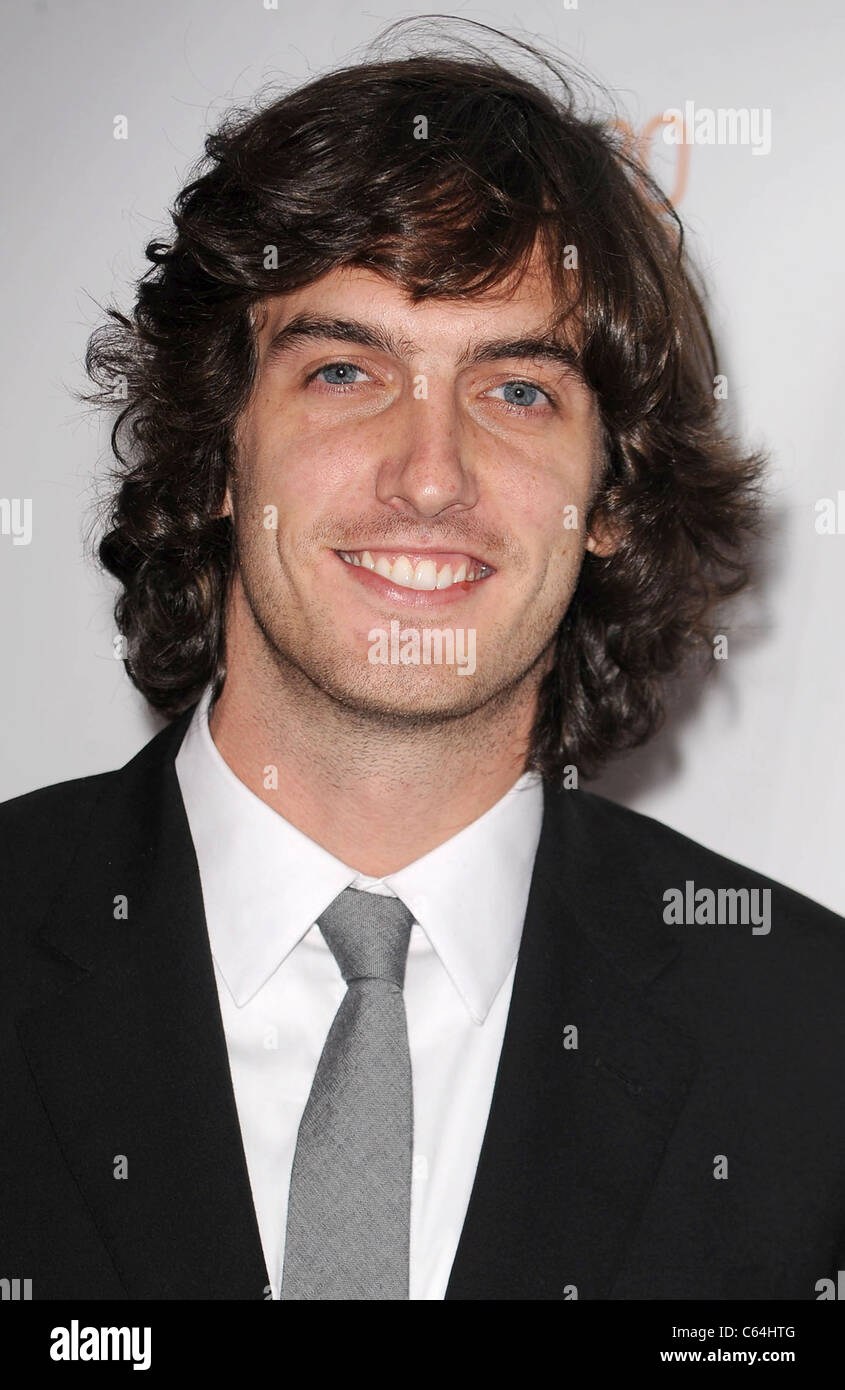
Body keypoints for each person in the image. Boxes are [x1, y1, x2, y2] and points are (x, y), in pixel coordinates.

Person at [2, 22, 844, 1301]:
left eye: (516, 391)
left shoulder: (810, 1044)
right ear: (216, 444)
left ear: (611, 495)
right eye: (345, 370)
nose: (430, 474)